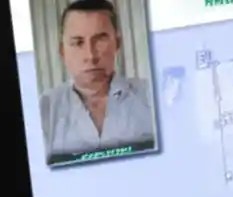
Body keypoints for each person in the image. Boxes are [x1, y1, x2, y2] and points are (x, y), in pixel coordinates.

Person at [39, 0, 155, 160]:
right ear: (62, 51)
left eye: (100, 40)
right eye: (78, 43)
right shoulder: (43, 111)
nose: (90, 56)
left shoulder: (152, 98)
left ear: (117, 43)